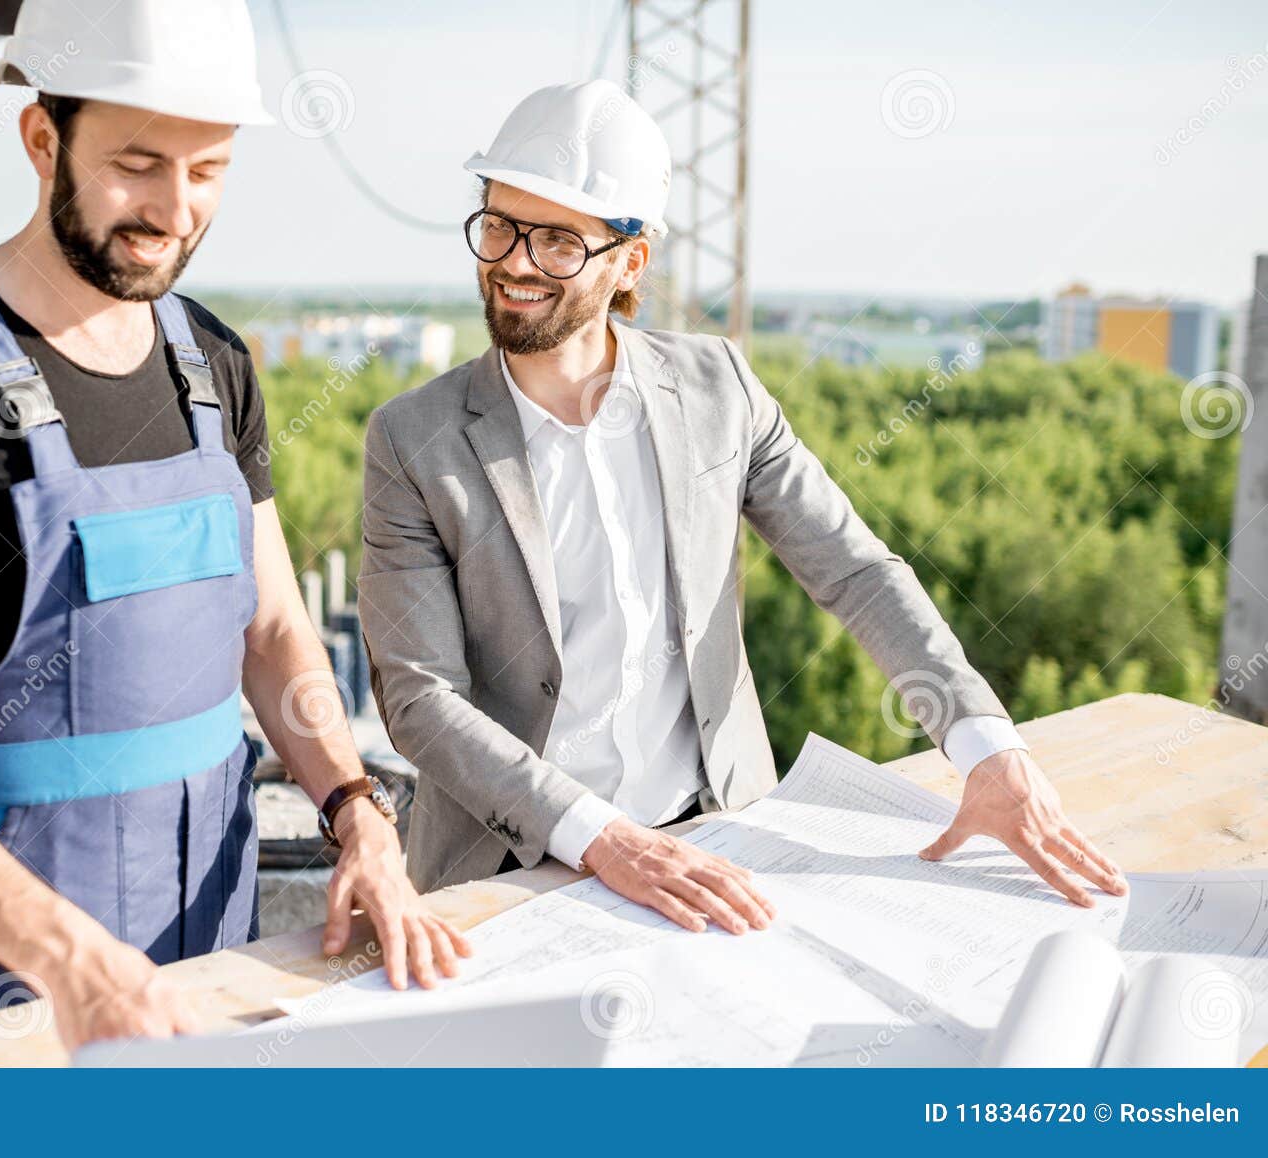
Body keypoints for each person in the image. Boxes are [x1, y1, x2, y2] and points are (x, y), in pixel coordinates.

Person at [0, 0, 466, 1050]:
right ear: (42, 139)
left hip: (222, 964)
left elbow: (274, 633)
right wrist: (66, 959)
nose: (173, 209)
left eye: (207, 172)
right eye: (138, 163)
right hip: (28, 997)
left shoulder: (211, 363)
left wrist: (355, 812)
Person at [358, 80, 1127, 934]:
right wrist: (604, 839)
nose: (516, 262)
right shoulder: (413, 440)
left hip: (717, 832)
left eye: (559, 241)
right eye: (500, 224)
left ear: (629, 262)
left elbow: (856, 571)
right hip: (511, 867)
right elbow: (422, 700)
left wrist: (987, 750)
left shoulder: (717, 388)